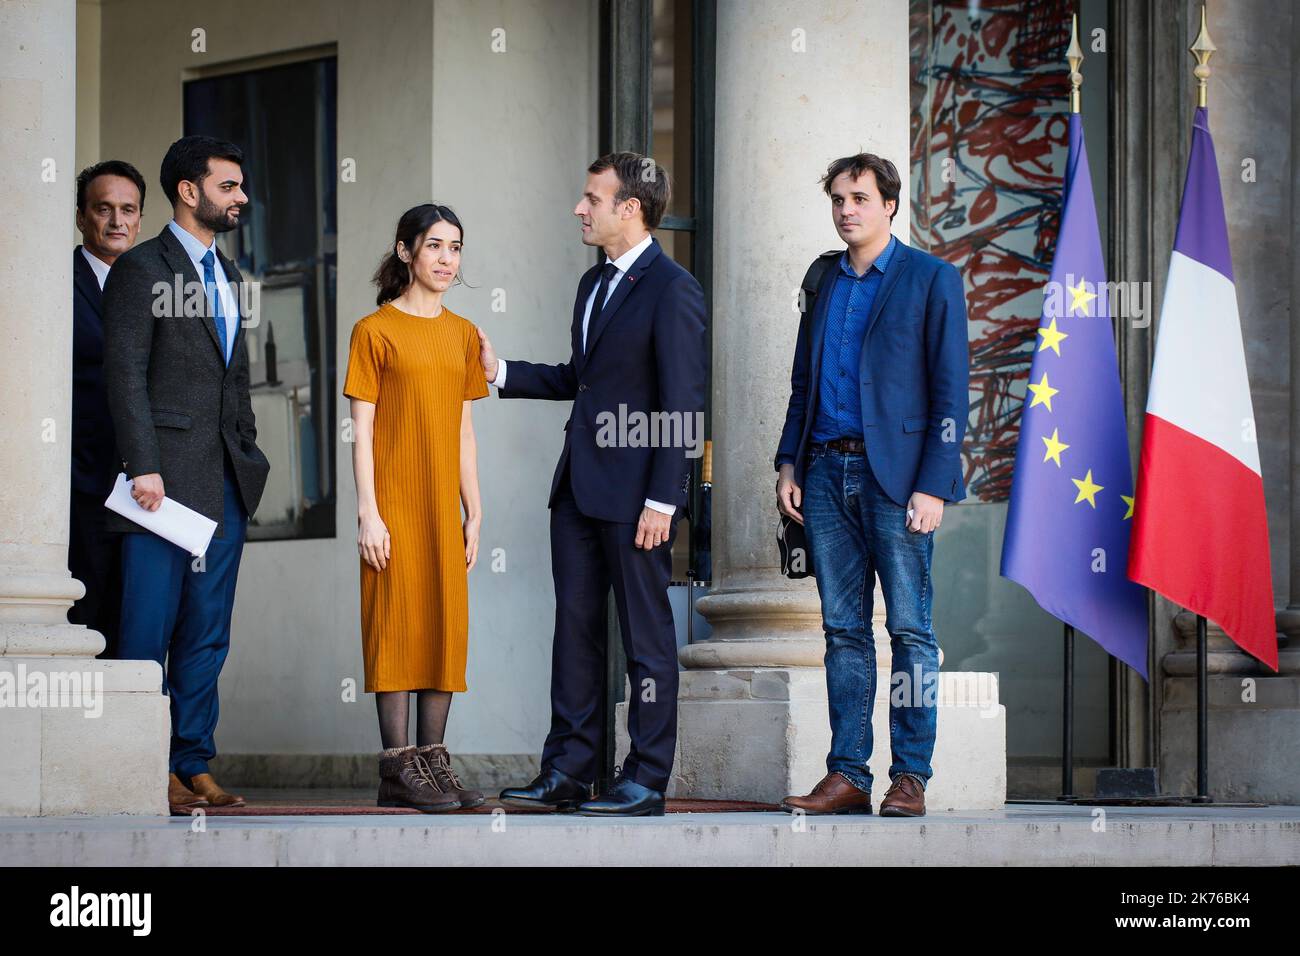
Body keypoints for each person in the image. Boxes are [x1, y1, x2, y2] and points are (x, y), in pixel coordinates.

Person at [482, 152, 707, 817]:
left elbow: (683, 402)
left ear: (628, 208)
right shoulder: (592, 285)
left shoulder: (672, 288)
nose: (580, 209)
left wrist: (665, 499)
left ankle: (644, 777)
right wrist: (500, 372)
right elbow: (579, 379)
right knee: (574, 631)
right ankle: (570, 771)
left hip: (640, 496)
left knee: (646, 639)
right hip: (577, 490)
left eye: (591, 198)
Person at [774, 152, 969, 817]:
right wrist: (788, 463)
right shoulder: (823, 279)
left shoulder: (931, 279)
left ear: (890, 204)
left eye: (859, 197)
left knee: (911, 630)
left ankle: (909, 776)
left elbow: (950, 392)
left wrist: (934, 485)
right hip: (826, 472)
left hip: (901, 479)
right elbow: (804, 379)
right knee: (843, 631)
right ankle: (847, 774)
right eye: (837, 199)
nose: (846, 209)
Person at [103, 135, 270, 813]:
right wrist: (142, 463)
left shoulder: (232, 277)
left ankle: (192, 762)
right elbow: (125, 373)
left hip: (226, 481)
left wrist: (249, 449)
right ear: (188, 191)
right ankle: (137, 768)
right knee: (147, 626)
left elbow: (236, 380)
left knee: (207, 631)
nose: (241, 198)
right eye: (228, 186)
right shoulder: (142, 268)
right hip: (160, 486)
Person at [343, 204, 489, 813]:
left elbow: (463, 431)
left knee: (443, 628)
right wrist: (368, 513)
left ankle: (434, 762)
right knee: (394, 626)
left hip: (440, 507)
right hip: (394, 505)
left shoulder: (462, 334)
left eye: (455, 248)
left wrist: (475, 510)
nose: (447, 259)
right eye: (434, 246)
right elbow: (362, 427)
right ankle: (397, 768)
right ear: (405, 252)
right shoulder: (373, 330)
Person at [70, 160, 145, 660]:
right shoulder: (52, 285)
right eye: (104, 209)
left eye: (128, 210)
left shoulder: (155, 287)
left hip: (148, 486)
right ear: (82, 217)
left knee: (139, 619)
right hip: (79, 479)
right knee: (86, 616)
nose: (117, 221)